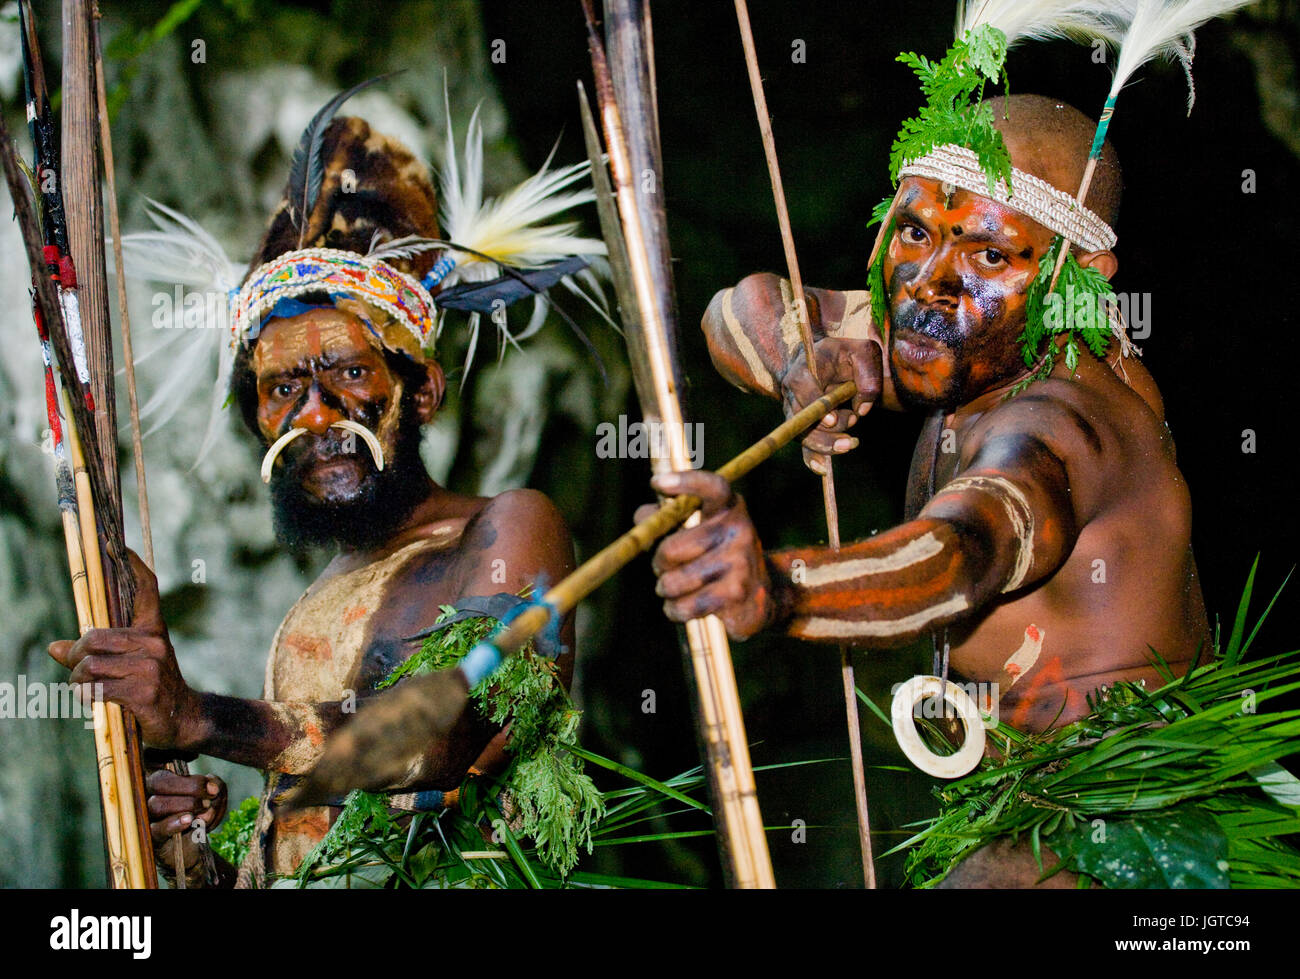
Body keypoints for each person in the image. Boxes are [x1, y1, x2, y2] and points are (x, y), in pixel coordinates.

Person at [645, 93, 1213, 886]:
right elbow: (732, 310)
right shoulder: (968, 333)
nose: (929, 285)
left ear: (1076, 277)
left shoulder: (1066, 421)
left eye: (988, 255)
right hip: (1015, 797)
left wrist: (775, 587)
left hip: (1120, 829)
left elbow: (965, 553)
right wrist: (797, 362)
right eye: (916, 233)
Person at [47, 108, 591, 887]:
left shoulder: (508, 526)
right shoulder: (318, 603)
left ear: (425, 390)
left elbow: (450, 731)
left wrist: (202, 716)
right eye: (283, 388)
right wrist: (195, 850)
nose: (316, 414)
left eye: (347, 371)